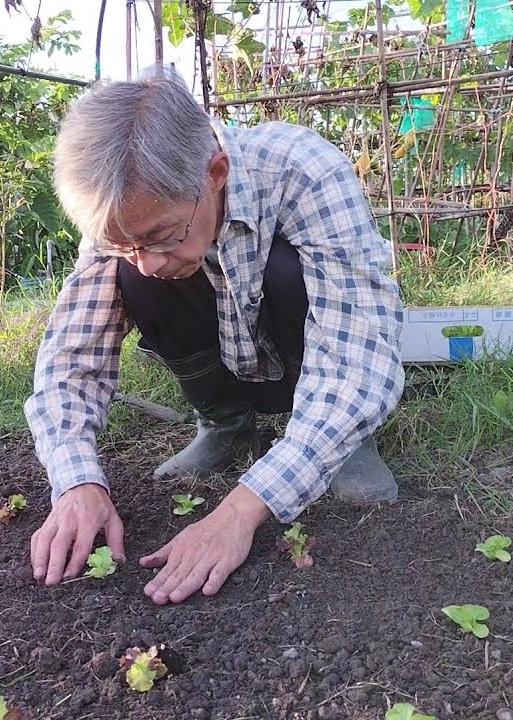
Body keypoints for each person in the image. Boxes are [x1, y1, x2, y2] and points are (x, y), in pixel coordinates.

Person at [23, 69, 404, 605]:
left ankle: (347, 442)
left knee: (285, 271)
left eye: (163, 234)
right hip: (228, 359)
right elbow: (71, 355)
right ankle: (227, 423)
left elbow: (359, 361)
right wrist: (77, 482)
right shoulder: (128, 216)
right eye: (124, 243)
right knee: (132, 278)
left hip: (313, 369)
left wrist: (240, 513)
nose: (147, 260)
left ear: (215, 173)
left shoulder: (305, 172)